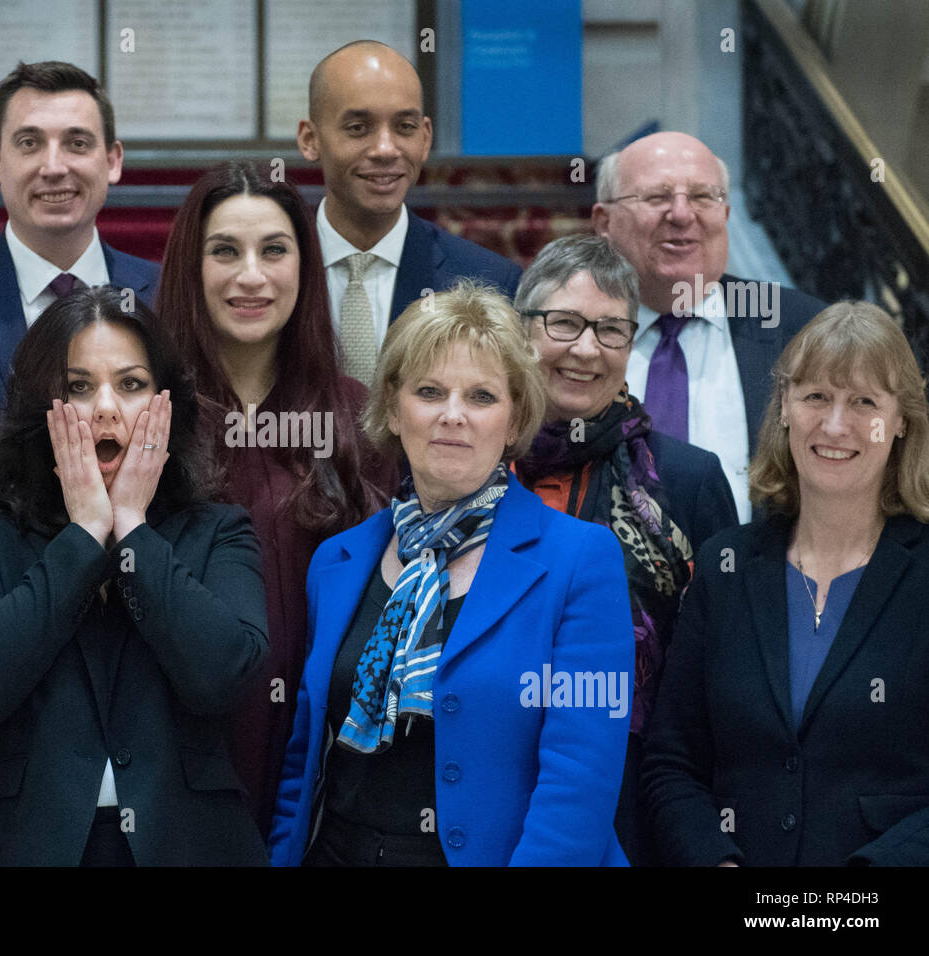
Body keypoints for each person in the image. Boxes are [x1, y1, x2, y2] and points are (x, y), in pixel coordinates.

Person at [270, 282, 633, 866]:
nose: (453, 416)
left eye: (482, 396)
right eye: (430, 391)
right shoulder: (337, 561)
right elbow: (303, 760)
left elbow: (579, 781)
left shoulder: (581, 561)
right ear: (393, 407)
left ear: (515, 418)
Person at [0, 286, 269, 865]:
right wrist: (86, 534)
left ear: (166, 406)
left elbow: (224, 678)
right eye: (78, 388)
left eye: (132, 384)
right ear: (42, 408)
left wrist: (133, 527)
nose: (106, 409)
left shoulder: (219, 531)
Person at [155, 160, 396, 833]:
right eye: (224, 251)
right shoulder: (151, 419)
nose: (251, 277)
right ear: (189, 269)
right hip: (182, 760)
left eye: (275, 251)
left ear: (305, 267)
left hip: (328, 765)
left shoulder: (358, 420)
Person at [643, 301, 929, 866]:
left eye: (864, 402)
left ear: (901, 422)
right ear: (784, 410)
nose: (835, 424)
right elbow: (671, 763)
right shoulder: (725, 566)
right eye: (816, 397)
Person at [512, 234, 737, 865]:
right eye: (565, 323)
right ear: (521, 330)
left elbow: (718, 669)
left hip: (637, 799)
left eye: (612, 330)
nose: (587, 349)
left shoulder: (687, 480)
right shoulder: (475, 472)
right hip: (486, 776)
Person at [592, 131, 825, 521]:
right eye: (656, 197)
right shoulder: (561, 335)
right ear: (604, 221)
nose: (682, 215)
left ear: (726, 215)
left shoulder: (805, 331)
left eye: (703, 197)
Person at [0, 60, 160, 432]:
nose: (54, 167)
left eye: (77, 143)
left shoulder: (166, 294)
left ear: (112, 160)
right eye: (30, 143)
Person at [297, 40, 521, 385]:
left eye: (405, 128)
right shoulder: (268, 274)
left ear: (426, 138)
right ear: (310, 139)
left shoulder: (487, 284)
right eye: (358, 128)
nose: (386, 149)